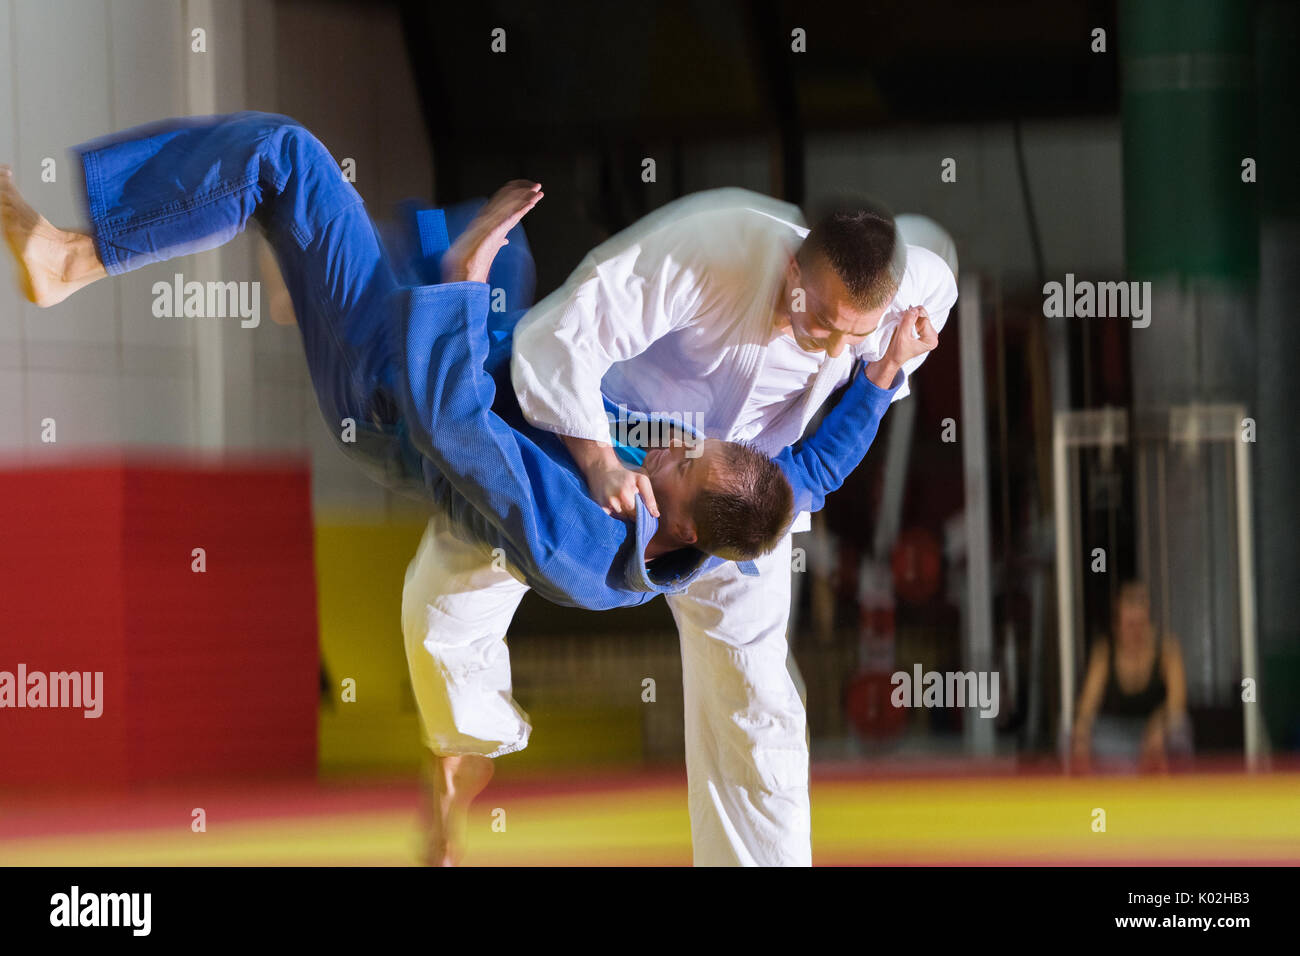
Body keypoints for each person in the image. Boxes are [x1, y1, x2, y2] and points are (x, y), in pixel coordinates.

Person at [0, 110, 926, 863]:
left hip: (394, 393)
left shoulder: (580, 531)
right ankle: (305, 272)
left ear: (677, 525)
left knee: (284, 156)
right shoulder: (694, 506)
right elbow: (806, 474)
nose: (671, 446)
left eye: (679, 464)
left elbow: (453, 424)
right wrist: (878, 383)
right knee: (504, 271)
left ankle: (77, 259)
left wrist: (466, 272)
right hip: (463, 358)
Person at [405, 184, 954, 865]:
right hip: (620, 445)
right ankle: (461, 749)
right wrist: (600, 459)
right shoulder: (710, 249)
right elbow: (564, 335)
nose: (833, 346)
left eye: (854, 333)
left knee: (758, 703)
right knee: (452, 594)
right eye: (824, 323)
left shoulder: (911, 293)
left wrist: (888, 363)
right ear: (793, 276)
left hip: (739, 494)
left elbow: (824, 459)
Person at [1071, 580, 1193, 772]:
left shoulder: (1166, 649)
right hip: (1117, 735)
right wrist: (1081, 734)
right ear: (1117, 623)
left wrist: (1159, 725)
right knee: (1068, 732)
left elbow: (1177, 702)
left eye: (1140, 624)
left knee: (1180, 728)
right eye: (1130, 624)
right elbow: (1087, 705)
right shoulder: (1105, 651)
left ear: (1148, 620)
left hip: (1156, 731)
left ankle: (1171, 794)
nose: (1135, 631)